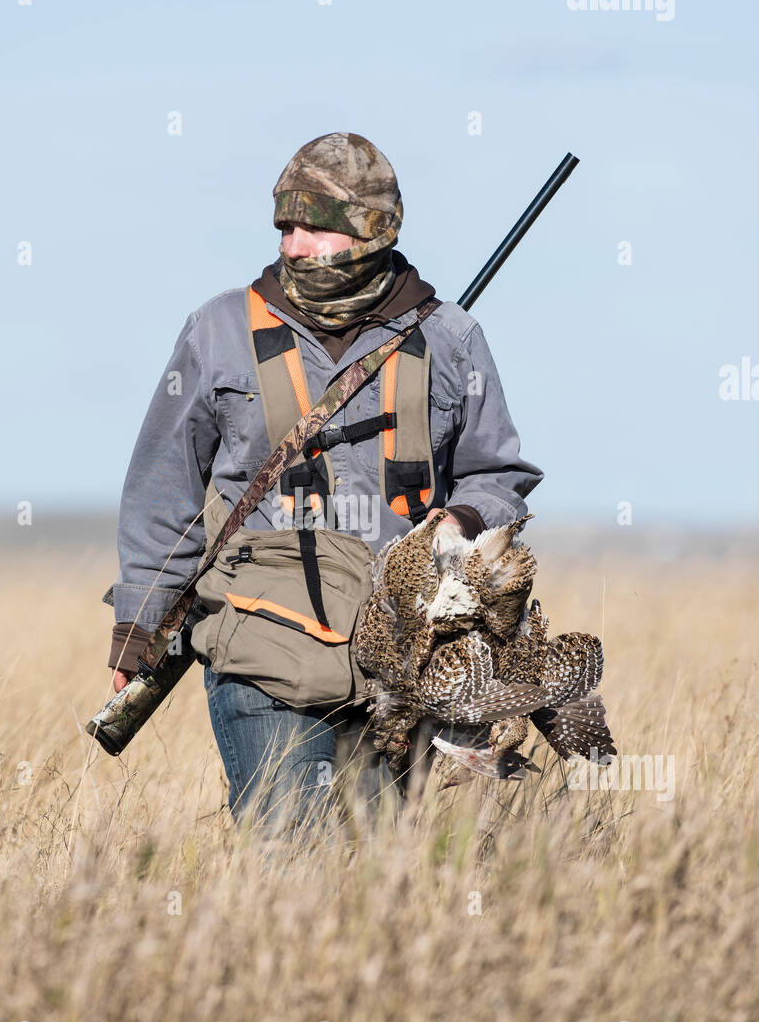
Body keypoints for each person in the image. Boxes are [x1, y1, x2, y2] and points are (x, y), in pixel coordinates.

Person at [103, 132, 542, 841]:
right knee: (288, 848)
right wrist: (137, 623)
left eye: (314, 226)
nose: (293, 243)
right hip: (258, 642)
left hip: (395, 653)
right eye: (284, 225)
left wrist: (460, 519)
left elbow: (498, 472)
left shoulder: (451, 337)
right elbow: (165, 486)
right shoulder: (217, 329)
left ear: (372, 229)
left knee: (374, 868)